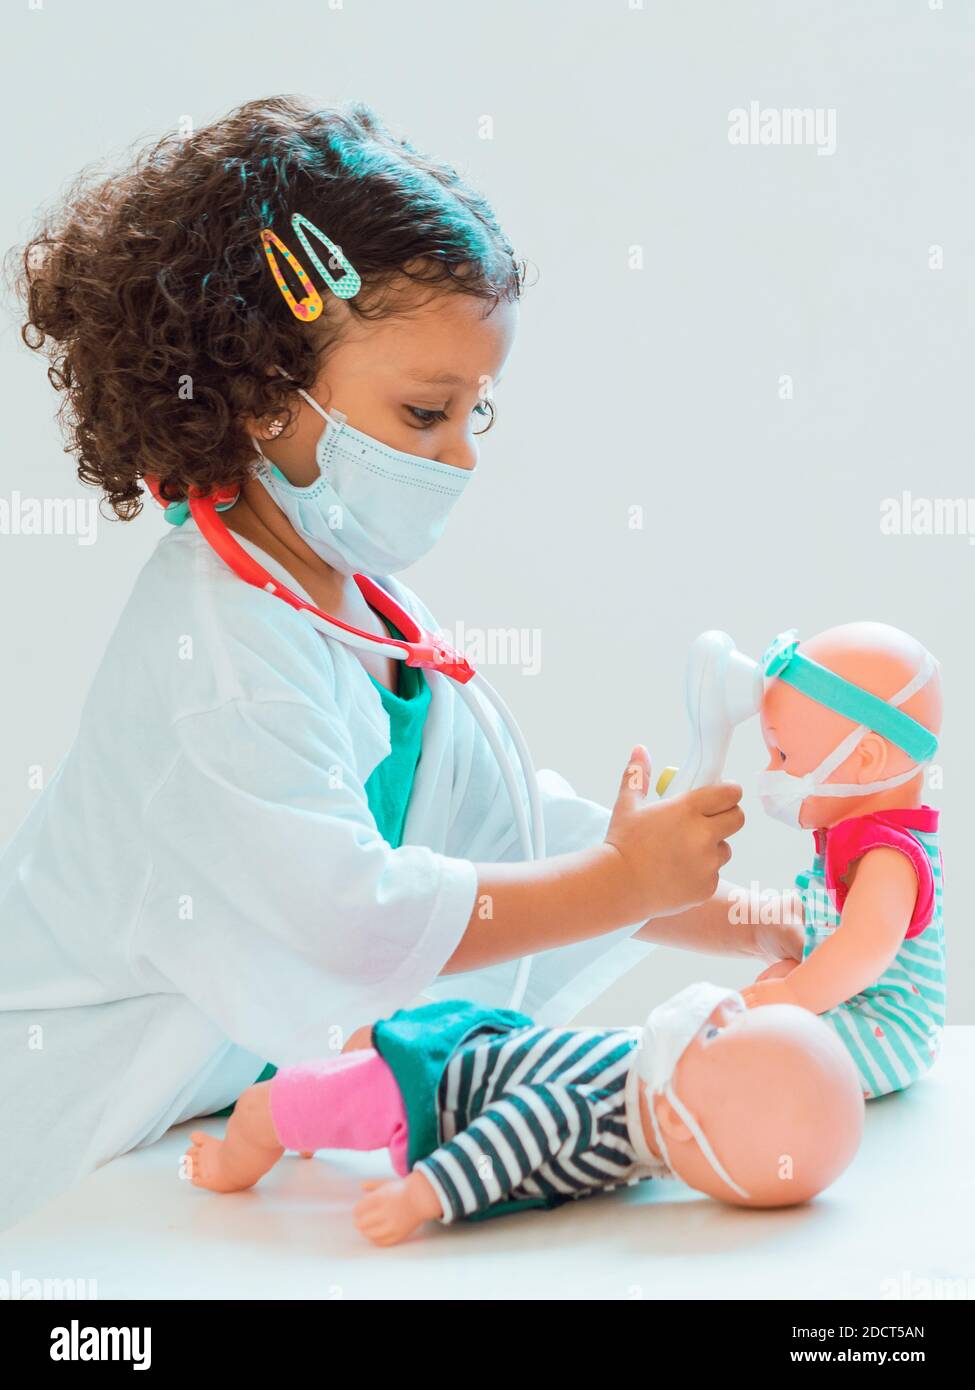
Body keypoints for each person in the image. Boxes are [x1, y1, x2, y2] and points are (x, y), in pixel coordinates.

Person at [0, 96, 764, 1232]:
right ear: (264, 399)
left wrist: (775, 919)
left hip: (205, 1129)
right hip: (70, 1151)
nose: (458, 454)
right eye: (423, 412)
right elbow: (349, 916)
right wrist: (624, 882)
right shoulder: (218, 660)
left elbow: (500, 840)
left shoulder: (354, 598)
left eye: (475, 414)